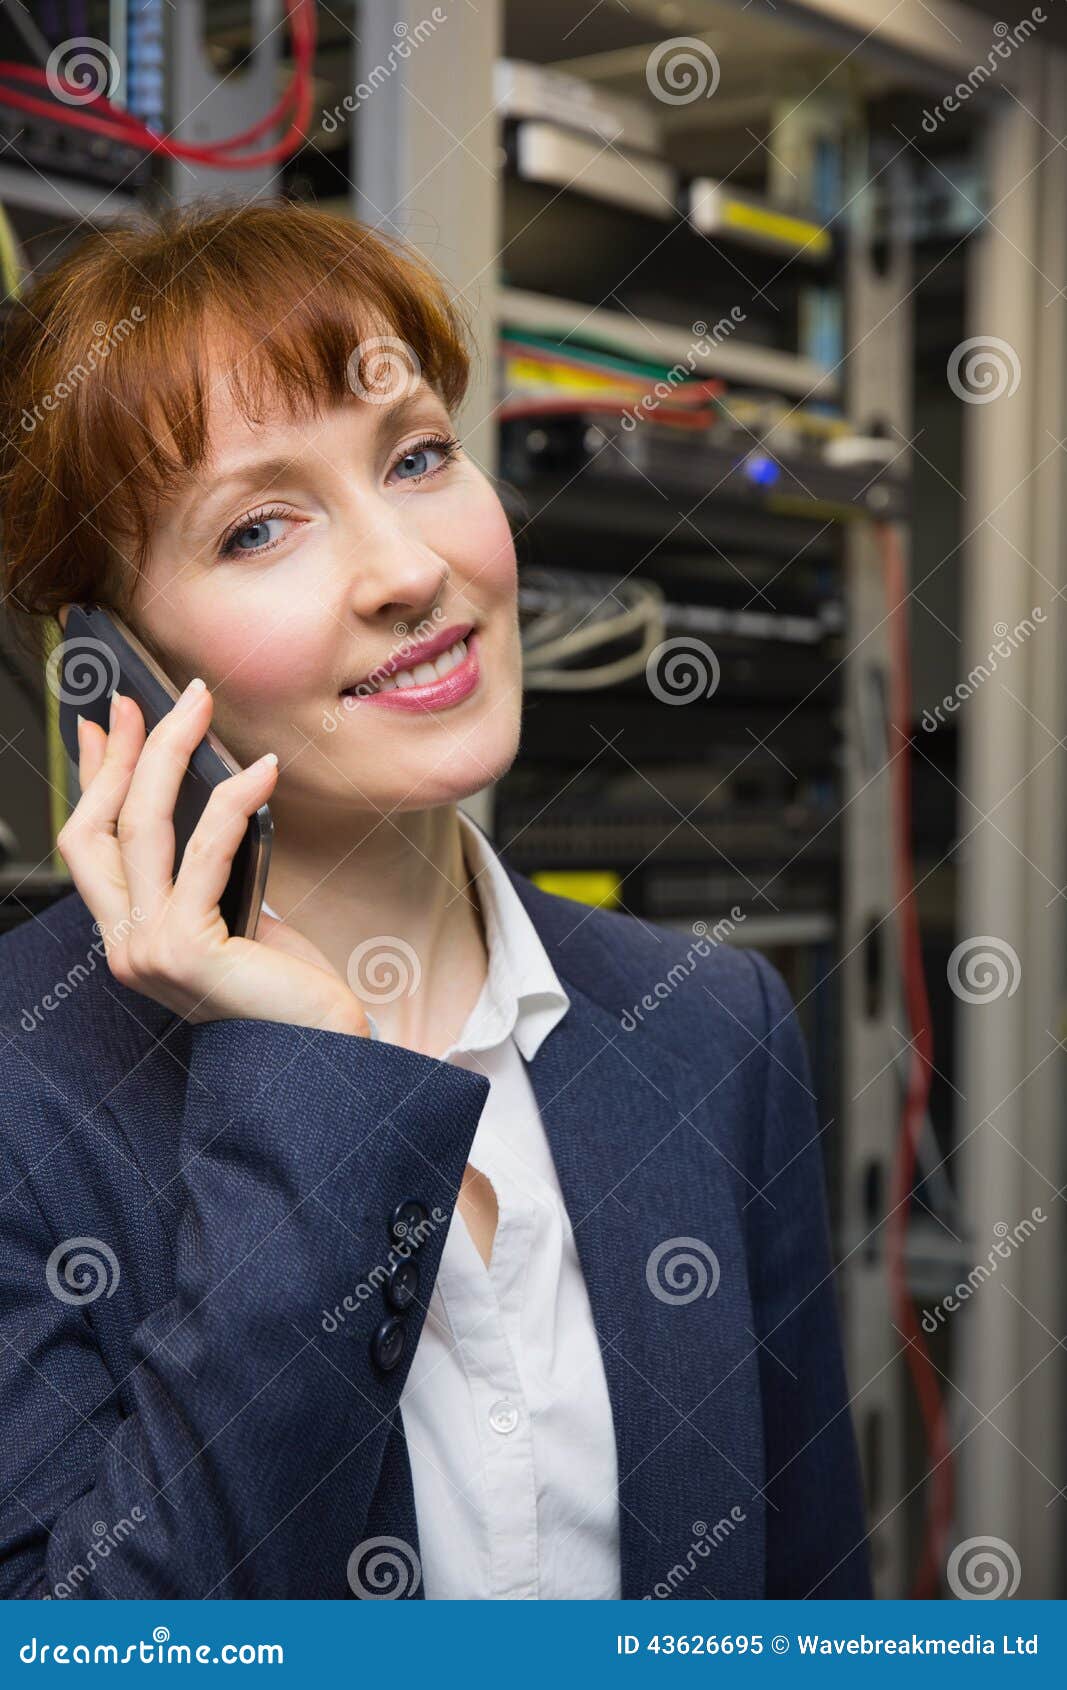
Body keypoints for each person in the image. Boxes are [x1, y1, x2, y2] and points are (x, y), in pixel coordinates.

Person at [0, 200, 870, 1600]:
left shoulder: (709, 1021)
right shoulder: (25, 1088)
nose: (412, 571)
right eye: (260, 527)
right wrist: (308, 1067)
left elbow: (808, 1601)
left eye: (416, 457)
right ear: (112, 659)